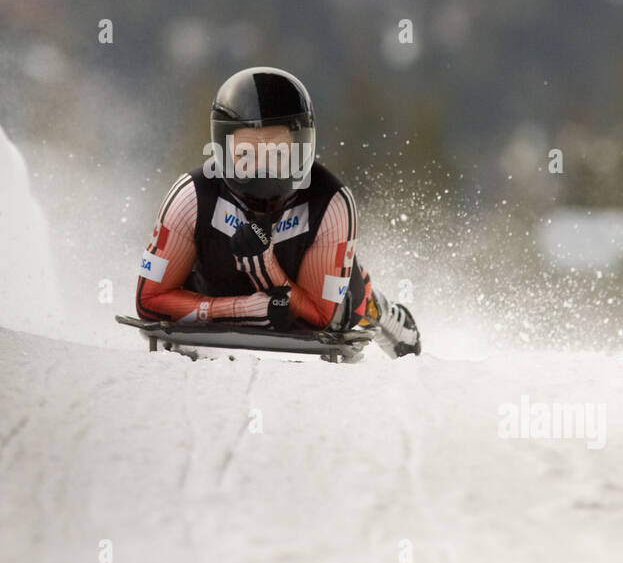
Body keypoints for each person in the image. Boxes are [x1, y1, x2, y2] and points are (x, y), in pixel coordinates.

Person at [135, 66, 421, 359]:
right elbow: (149, 299)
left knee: (349, 306)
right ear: (222, 149)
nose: (262, 170)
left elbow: (321, 319)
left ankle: (377, 307)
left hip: (304, 282)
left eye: (277, 154)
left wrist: (266, 266)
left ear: (301, 149)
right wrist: (245, 310)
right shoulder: (190, 196)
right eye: (246, 154)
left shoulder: (331, 202)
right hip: (213, 286)